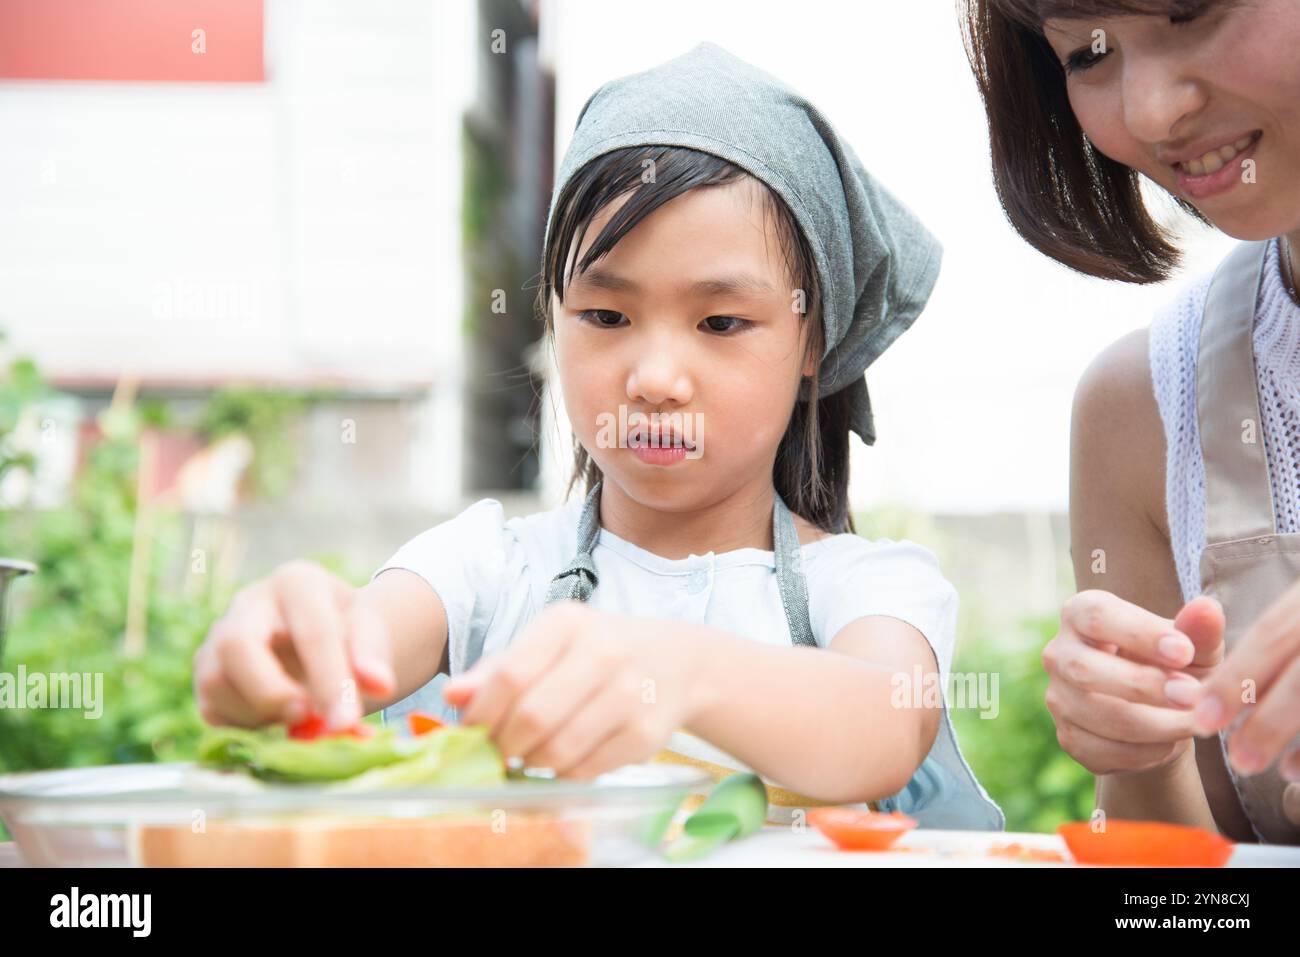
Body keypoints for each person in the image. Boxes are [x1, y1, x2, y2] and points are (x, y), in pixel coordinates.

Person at [193, 42, 1002, 830]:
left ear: (811, 344)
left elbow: (884, 722)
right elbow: (359, 644)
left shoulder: (865, 588)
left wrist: (673, 670)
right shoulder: (485, 569)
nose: (654, 376)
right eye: (605, 315)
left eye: (721, 321)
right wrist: (290, 658)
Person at [963, 0, 1300, 841]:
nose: (1150, 110)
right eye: (1087, 56)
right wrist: (1143, 756)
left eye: (1192, 13)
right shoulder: (1143, 409)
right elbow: (1180, 898)